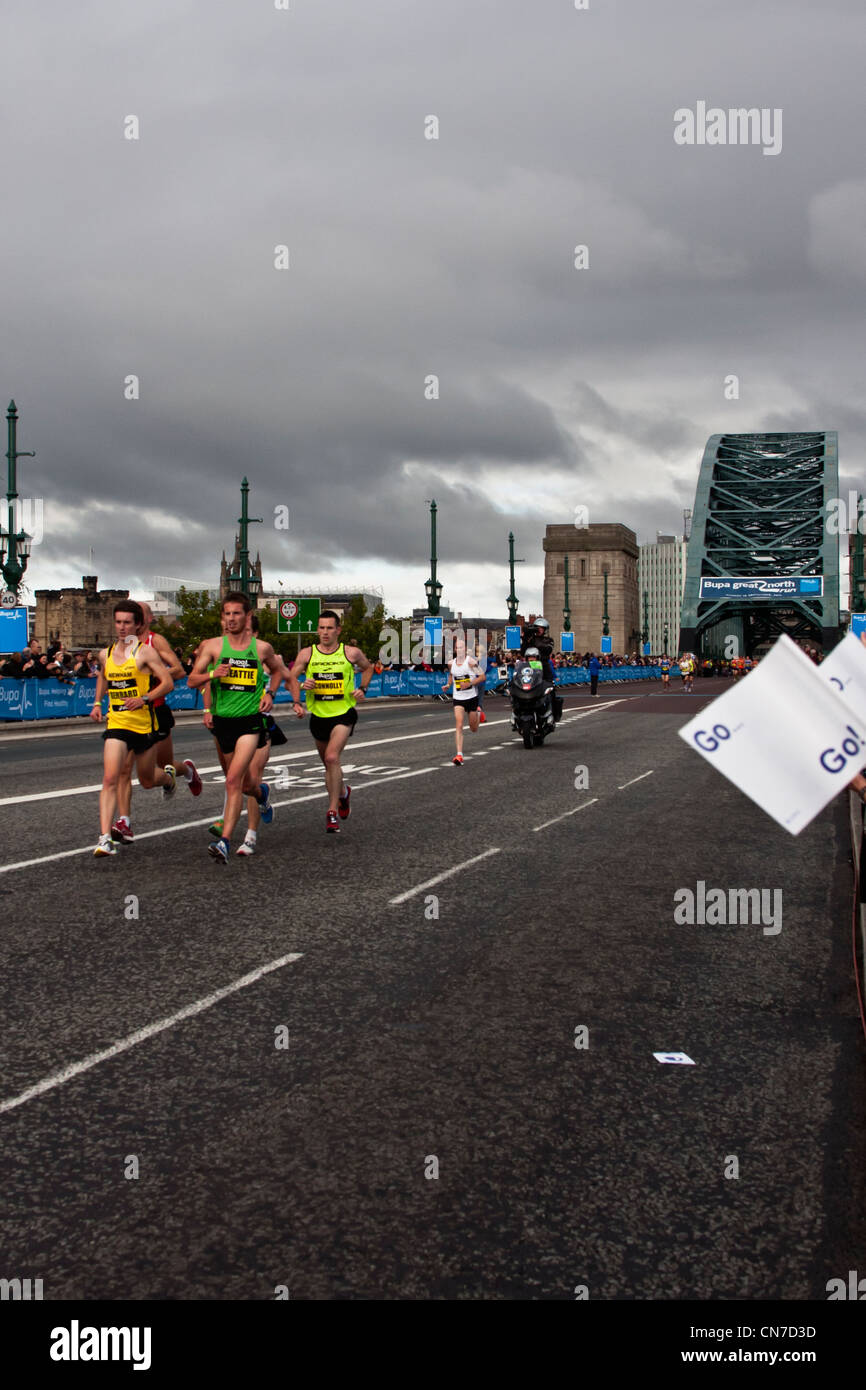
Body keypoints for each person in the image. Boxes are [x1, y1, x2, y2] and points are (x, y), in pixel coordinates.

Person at [188, 592, 283, 862]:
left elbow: (277, 671)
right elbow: (192, 681)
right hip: (223, 722)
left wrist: (270, 694)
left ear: (247, 616)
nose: (231, 619)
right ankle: (261, 792)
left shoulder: (261, 648)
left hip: (250, 722)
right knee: (245, 784)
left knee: (232, 781)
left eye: (236, 613)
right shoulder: (213, 647)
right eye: (227, 614)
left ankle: (225, 842)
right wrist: (212, 674)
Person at [109, 602, 202, 844]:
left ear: (146, 620)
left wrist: (152, 675)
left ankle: (186, 771)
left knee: (159, 770)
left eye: (139, 616)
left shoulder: (154, 641)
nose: (131, 621)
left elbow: (179, 670)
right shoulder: (121, 646)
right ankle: (124, 822)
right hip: (128, 716)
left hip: (155, 711)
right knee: (123, 769)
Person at [89, 600, 177, 857]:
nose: (122, 627)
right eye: (118, 622)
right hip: (117, 723)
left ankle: (168, 779)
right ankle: (105, 838)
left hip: (143, 725)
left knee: (148, 780)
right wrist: (97, 702)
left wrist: (145, 698)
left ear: (138, 624)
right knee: (110, 777)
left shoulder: (144, 652)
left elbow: (168, 682)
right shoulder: (105, 653)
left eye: (127, 622)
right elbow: (104, 676)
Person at [285, 610, 374, 831]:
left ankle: (332, 811)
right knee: (328, 763)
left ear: (338, 630)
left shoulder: (350, 653)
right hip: (319, 715)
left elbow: (369, 667)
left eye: (329, 628)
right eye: (321, 628)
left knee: (333, 757)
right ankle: (343, 793)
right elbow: (291, 678)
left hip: (343, 713)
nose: (325, 632)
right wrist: (298, 699)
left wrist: (362, 688)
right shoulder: (307, 654)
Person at [442, 635, 485, 765]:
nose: (459, 649)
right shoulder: (451, 663)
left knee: (473, 728)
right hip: (458, 698)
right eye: (457, 647)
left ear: (465, 649)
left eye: (461, 647)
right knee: (459, 724)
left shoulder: (471, 662)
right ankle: (459, 754)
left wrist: (470, 684)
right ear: (455, 649)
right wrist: (448, 685)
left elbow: (482, 677)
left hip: (471, 698)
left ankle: (478, 713)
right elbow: (451, 675)